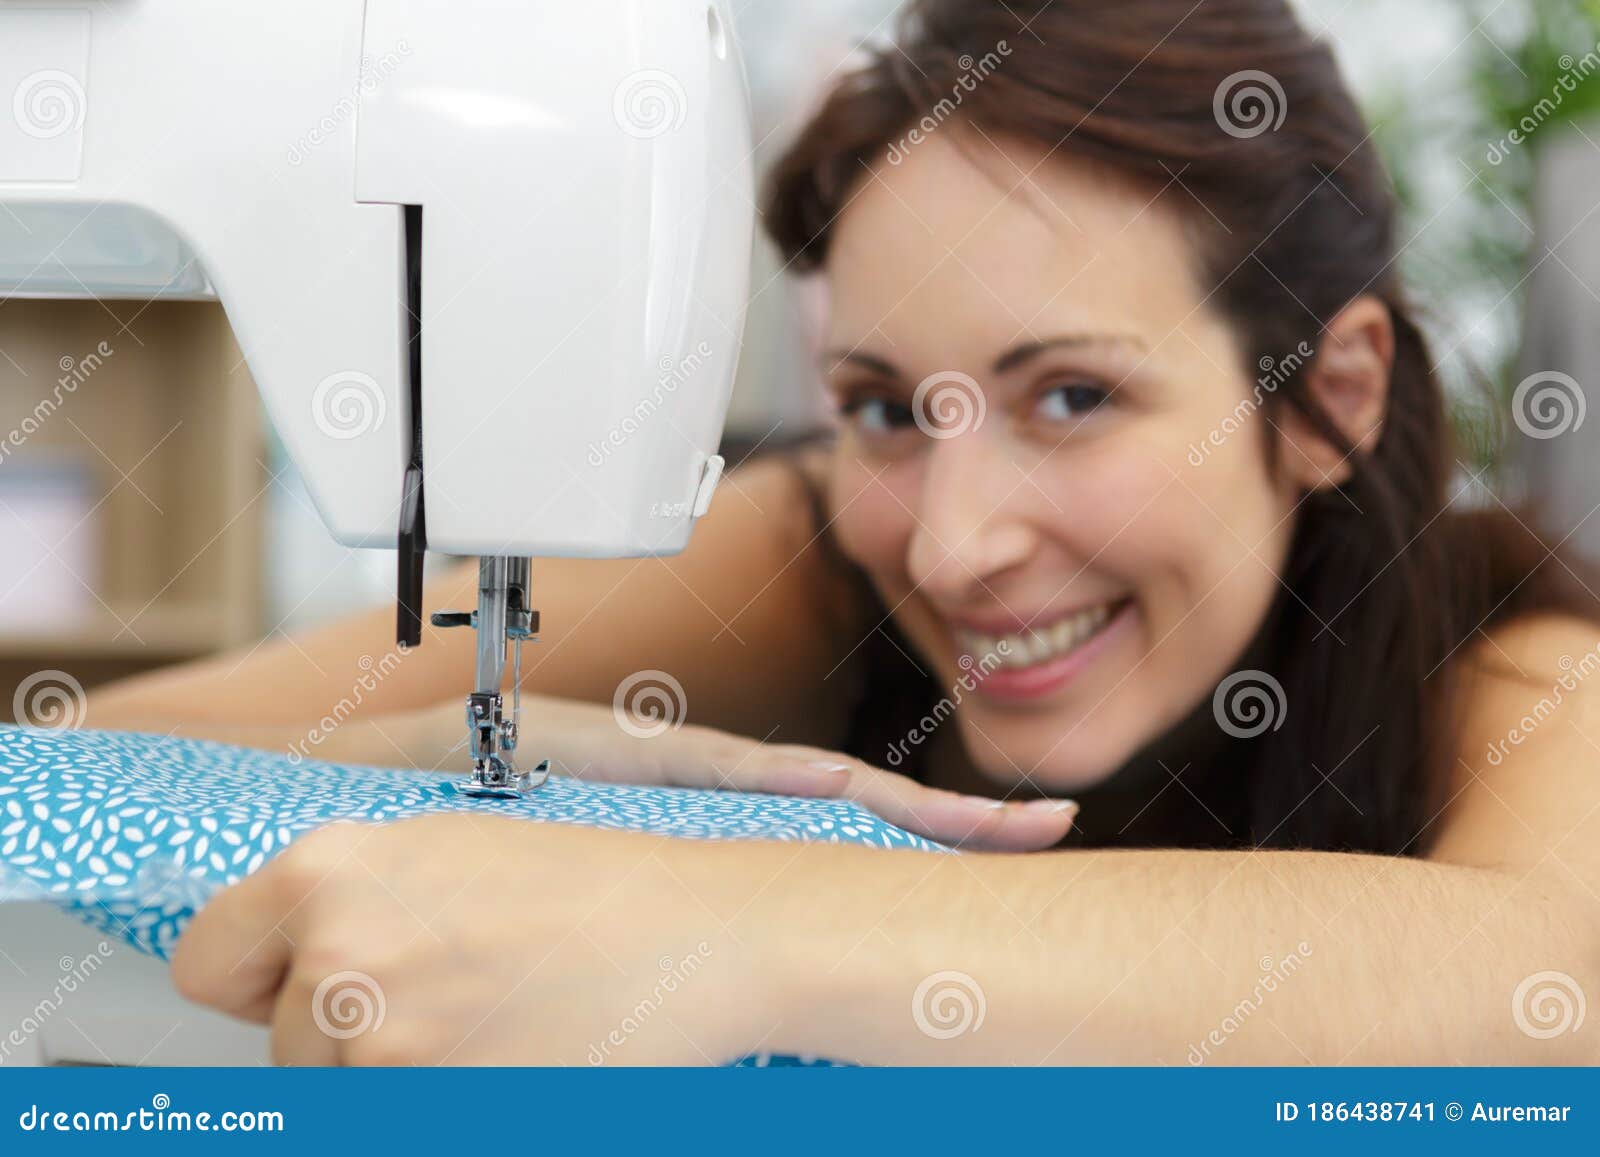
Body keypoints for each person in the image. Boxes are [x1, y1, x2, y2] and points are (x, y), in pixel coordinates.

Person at [93, 0, 1600, 1064]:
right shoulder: (812, 554)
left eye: (1071, 394)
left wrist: (712, 927)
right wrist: (383, 758)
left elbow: (1547, 982)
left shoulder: (1513, 664)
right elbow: (69, 778)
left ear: (1323, 400)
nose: (947, 549)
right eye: (882, 405)